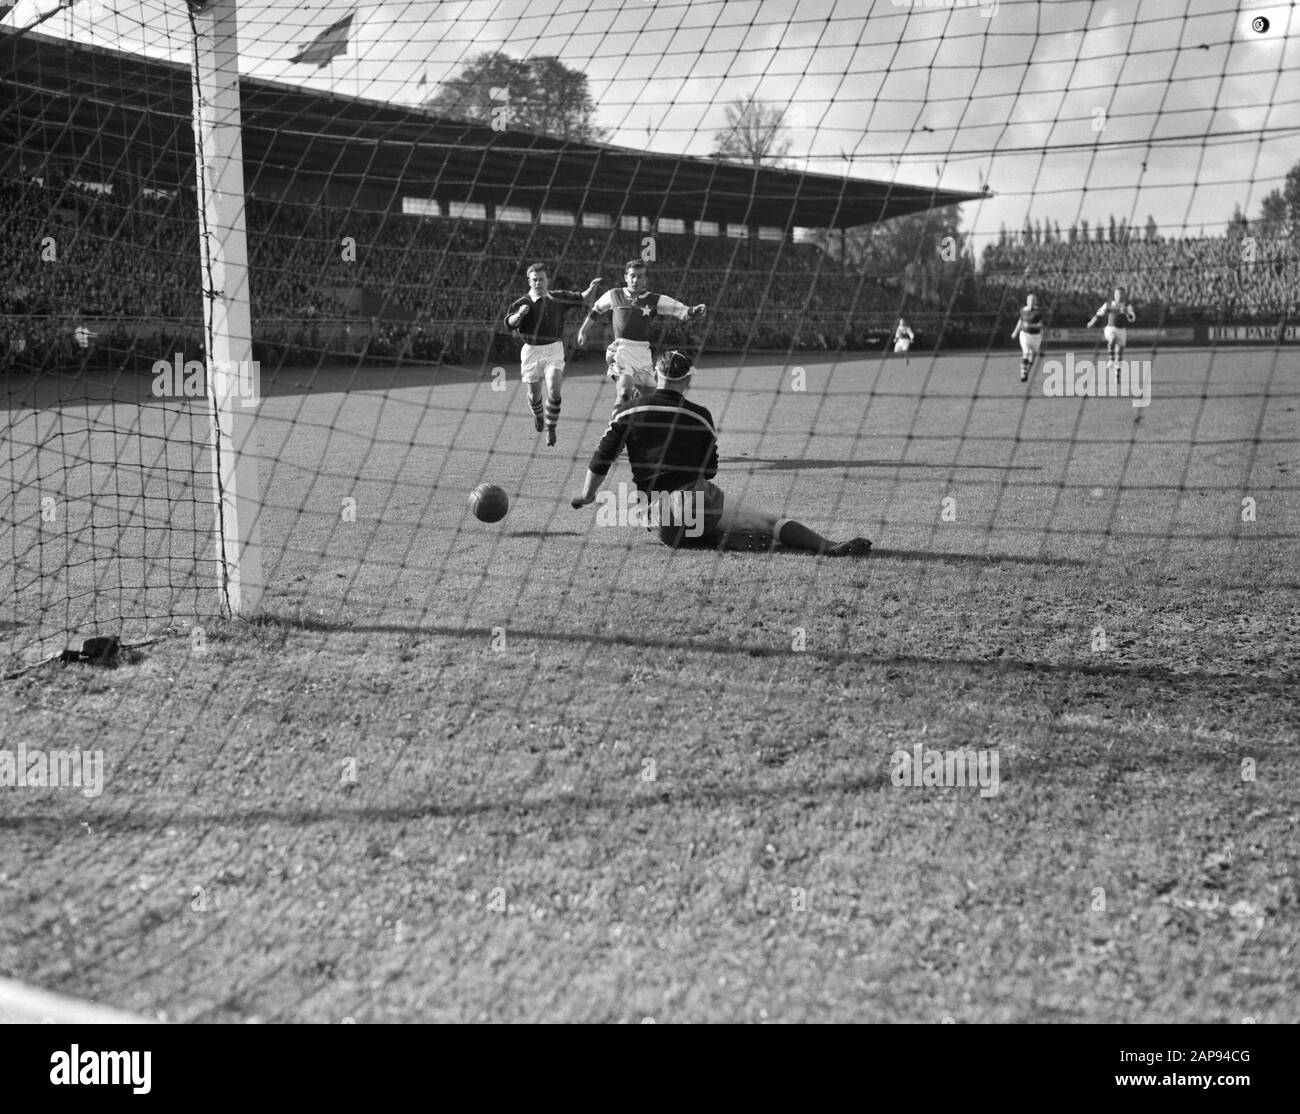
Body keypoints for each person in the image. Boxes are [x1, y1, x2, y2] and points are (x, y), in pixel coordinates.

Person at [570, 350, 872, 557]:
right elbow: (710, 469)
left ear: (656, 376)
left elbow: (602, 458)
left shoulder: (627, 411)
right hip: (697, 505)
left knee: (648, 512)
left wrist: (585, 495)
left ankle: (713, 540)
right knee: (771, 522)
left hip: (661, 522)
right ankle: (828, 546)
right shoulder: (700, 416)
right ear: (687, 379)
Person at [575, 259, 706, 403]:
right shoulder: (614, 294)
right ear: (626, 277)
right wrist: (582, 330)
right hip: (621, 350)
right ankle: (615, 424)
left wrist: (693, 311)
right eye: (632, 275)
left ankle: (635, 409)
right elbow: (596, 309)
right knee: (625, 391)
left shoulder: (653, 299)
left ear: (645, 279)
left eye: (640, 276)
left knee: (650, 399)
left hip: (643, 354)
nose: (635, 279)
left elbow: (676, 307)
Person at [504, 265, 601, 446]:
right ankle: (538, 415)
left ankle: (551, 428)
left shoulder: (558, 297)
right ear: (529, 281)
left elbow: (582, 297)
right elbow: (509, 323)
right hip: (531, 352)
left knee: (555, 390)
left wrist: (591, 288)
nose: (538, 283)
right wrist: (519, 314)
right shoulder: (522, 302)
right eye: (534, 279)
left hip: (554, 350)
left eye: (541, 279)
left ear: (547, 279)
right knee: (534, 396)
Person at [1086, 286, 1136, 381]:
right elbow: (1099, 314)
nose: (1119, 296)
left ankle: (1117, 372)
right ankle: (1111, 360)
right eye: (1117, 294)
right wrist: (1091, 322)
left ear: (1124, 295)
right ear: (1114, 295)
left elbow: (1132, 319)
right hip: (1110, 328)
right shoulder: (1108, 304)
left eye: (1121, 294)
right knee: (1112, 338)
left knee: (1119, 354)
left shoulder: (1128, 306)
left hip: (1122, 331)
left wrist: (1126, 312)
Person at [1010, 293, 1044, 381]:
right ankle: (1023, 372)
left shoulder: (1039, 312)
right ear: (1027, 301)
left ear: (1036, 301)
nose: (1031, 302)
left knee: (1033, 356)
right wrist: (1015, 332)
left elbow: (1040, 325)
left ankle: (1027, 371)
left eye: (1033, 300)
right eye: (1030, 300)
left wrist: (1030, 325)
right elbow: (1020, 322)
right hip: (1024, 334)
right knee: (1026, 352)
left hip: (1036, 336)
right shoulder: (1023, 310)